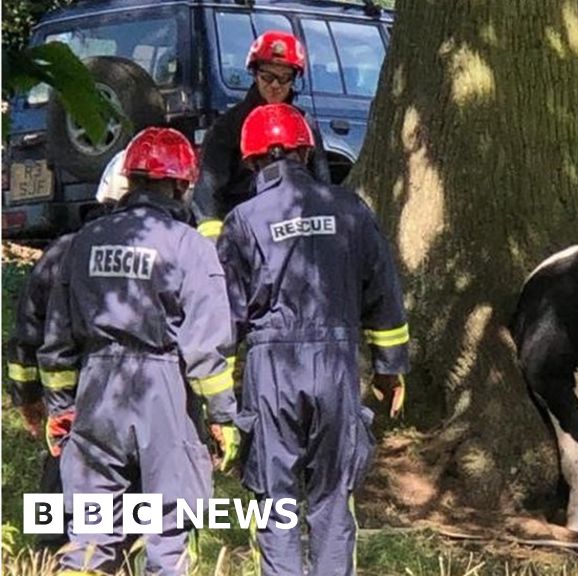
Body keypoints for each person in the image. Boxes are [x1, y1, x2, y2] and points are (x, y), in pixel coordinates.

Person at [217, 103, 408, 576]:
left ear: (251, 160)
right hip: (337, 365)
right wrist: (389, 367)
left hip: (271, 371)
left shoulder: (242, 220)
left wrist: (218, 398)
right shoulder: (350, 208)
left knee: (275, 501)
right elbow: (383, 292)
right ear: (306, 153)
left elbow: (226, 317)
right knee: (333, 495)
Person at [38, 128, 239, 576]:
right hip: (162, 392)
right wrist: (223, 417)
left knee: (88, 536)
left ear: (130, 180)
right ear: (182, 185)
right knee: (167, 533)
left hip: (96, 393)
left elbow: (57, 338)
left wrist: (60, 407)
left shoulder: (85, 241)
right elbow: (206, 346)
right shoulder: (189, 246)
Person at [4, 151, 129, 551]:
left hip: (71, 403)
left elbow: (27, 335)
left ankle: (52, 555)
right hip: (143, 403)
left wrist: (27, 399)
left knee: (61, 486)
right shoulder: (167, 248)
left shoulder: (62, 251)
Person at [193, 30, 330, 239]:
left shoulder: (305, 124)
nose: (275, 85)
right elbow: (207, 193)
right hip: (243, 230)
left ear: (294, 79)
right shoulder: (229, 126)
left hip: (293, 229)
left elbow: (322, 184)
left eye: (284, 78)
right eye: (268, 77)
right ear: (255, 74)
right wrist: (216, 241)